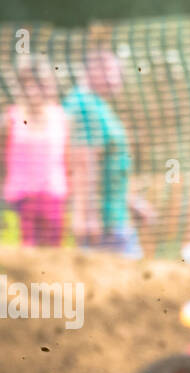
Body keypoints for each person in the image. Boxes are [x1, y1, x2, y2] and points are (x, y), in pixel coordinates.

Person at [62, 49, 148, 257]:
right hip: (103, 223)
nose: (118, 75)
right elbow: (83, 162)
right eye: (111, 69)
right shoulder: (84, 105)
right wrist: (87, 216)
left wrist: (131, 202)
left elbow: (109, 164)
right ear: (93, 69)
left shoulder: (96, 104)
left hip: (114, 218)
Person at [2, 54, 69, 247]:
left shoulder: (61, 118)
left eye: (38, 83)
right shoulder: (9, 119)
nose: (33, 90)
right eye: (26, 84)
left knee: (52, 260)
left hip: (54, 200)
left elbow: (70, 164)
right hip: (18, 201)